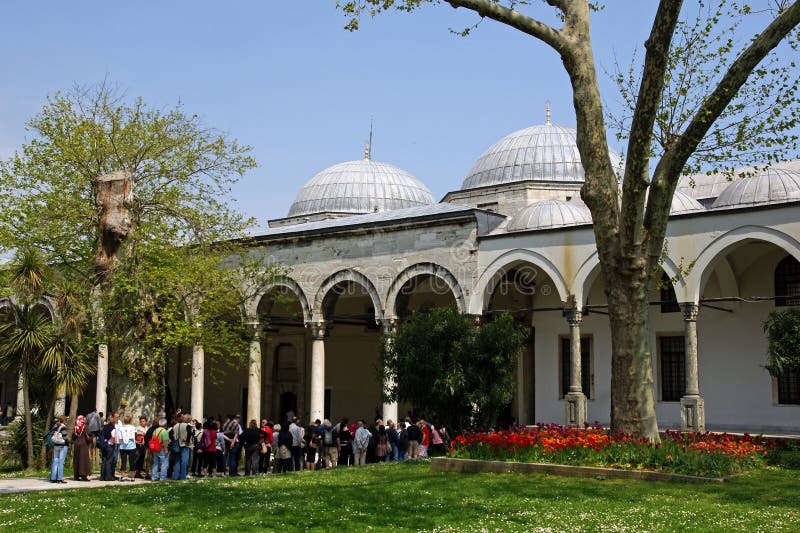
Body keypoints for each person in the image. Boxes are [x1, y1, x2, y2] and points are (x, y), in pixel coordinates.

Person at [171, 414, 193, 480]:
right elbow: (189, 433)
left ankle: (176, 476)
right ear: (187, 420)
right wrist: (187, 441)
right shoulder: (187, 426)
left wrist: (174, 440)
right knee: (184, 461)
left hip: (177, 445)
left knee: (177, 461)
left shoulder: (175, 425)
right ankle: (183, 476)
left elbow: (170, 434)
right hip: (184, 445)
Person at [117, 415, 138, 481]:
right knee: (132, 462)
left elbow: (120, 437)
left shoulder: (120, 428)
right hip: (131, 447)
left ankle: (122, 477)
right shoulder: (134, 428)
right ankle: (132, 477)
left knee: (123, 462)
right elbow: (135, 436)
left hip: (123, 447)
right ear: (131, 421)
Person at [49, 415, 68, 483]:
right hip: (62, 446)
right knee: (61, 462)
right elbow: (65, 437)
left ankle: (53, 478)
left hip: (56, 445)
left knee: (55, 461)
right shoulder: (63, 427)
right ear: (64, 420)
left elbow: (51, 435)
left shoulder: (55, 426)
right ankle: (60, 478)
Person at [72, 415, 92, 481]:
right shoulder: (84, 426)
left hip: (76, 444)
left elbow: (73, 436)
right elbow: (89, 433)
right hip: (83, 444)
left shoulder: (76, 427)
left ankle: (76, 476)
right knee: (83, 460)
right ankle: (84, 475)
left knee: (77, 460)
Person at [98, 412, 117, 481]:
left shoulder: (105, 427)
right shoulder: (112, 427)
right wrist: (116, 441)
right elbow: (113, 436)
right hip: (110, 445)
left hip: (104, 445)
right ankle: (108, 476)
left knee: (104, 460)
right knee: (109, 461)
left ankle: (102, 476)